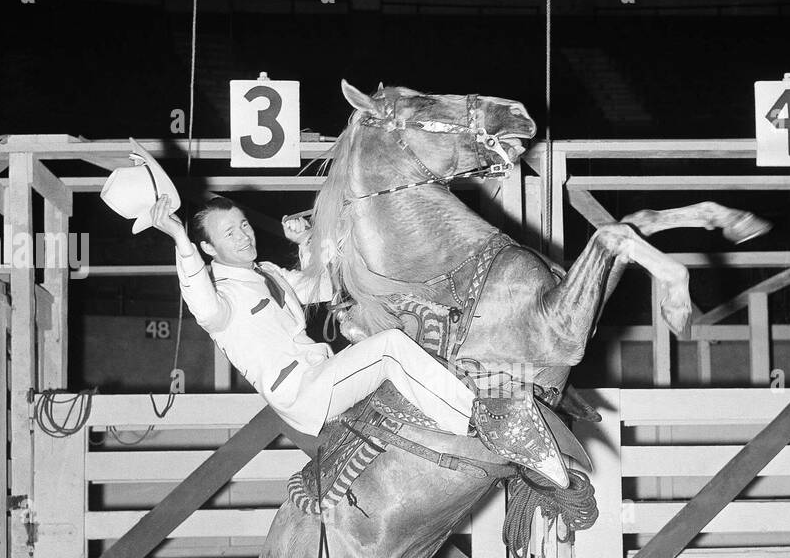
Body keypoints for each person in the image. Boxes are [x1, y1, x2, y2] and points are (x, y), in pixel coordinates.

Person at [149, 192, 570, 485]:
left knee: (400, 337)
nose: (243, 236)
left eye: (243, 225)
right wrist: (178, 240)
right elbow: (202, 304)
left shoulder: (269, 275)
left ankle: (490, 388)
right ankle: (483, 422)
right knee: (389, 348)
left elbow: (324, 285)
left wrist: (309, 241)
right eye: (229, 234)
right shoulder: (220, 300)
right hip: (302, 392)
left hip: (323, 372)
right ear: (206, 249)